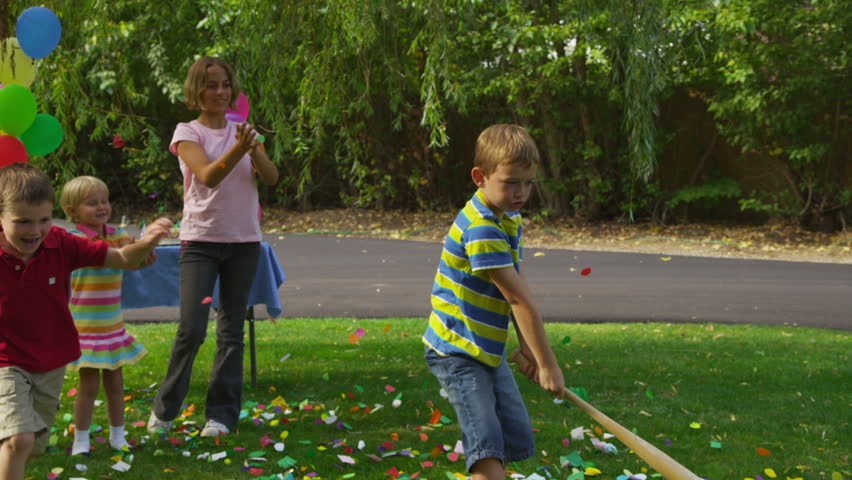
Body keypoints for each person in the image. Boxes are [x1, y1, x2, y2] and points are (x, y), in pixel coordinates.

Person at [0, 163, 171, 480]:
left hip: (50, 359)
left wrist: (148, 242)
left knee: (32, 445)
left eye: (44, 220)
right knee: (18, 439)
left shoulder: (62, 242)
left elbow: (120, 258)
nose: (35, 231)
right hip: (6, 360)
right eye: (22, 222)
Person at [422, 124, 566, 480]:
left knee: (512, 434)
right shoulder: (482, 227)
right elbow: (518, 300)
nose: (521, 193)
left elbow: (517, 289)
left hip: (485, 347)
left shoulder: (507, 218)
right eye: (511, 182)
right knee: (485, 444)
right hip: (457, 350)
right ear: (480, 177)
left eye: (529, 183)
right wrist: (548, 365)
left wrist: (528, 347)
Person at [148, 56, 278, 438]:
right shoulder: (187, 132)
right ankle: (166, 409)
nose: (219, 92)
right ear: (196, 91)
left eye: (224, 85)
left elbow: (270, 178)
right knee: (192, 329)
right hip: (201, 243)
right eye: (210, 85)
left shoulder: (246, 132)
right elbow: (207, 177)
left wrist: (254, 149)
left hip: (244, 243)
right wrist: (241, 148)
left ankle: (221, 416)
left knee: (232, 331)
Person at [59, 176, 151, 455]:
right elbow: (110, 255)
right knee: (88, 386)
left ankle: (118, 437)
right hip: (85, 327)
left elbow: (131, 260)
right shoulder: (74, 239)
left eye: (104, 201)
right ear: (72, 210)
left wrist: (144, 253)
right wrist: (130, 251)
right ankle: (81, 441)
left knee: (115, 384)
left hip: (112, 325)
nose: (101, 207)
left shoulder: (118, 236)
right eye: (92, 203)